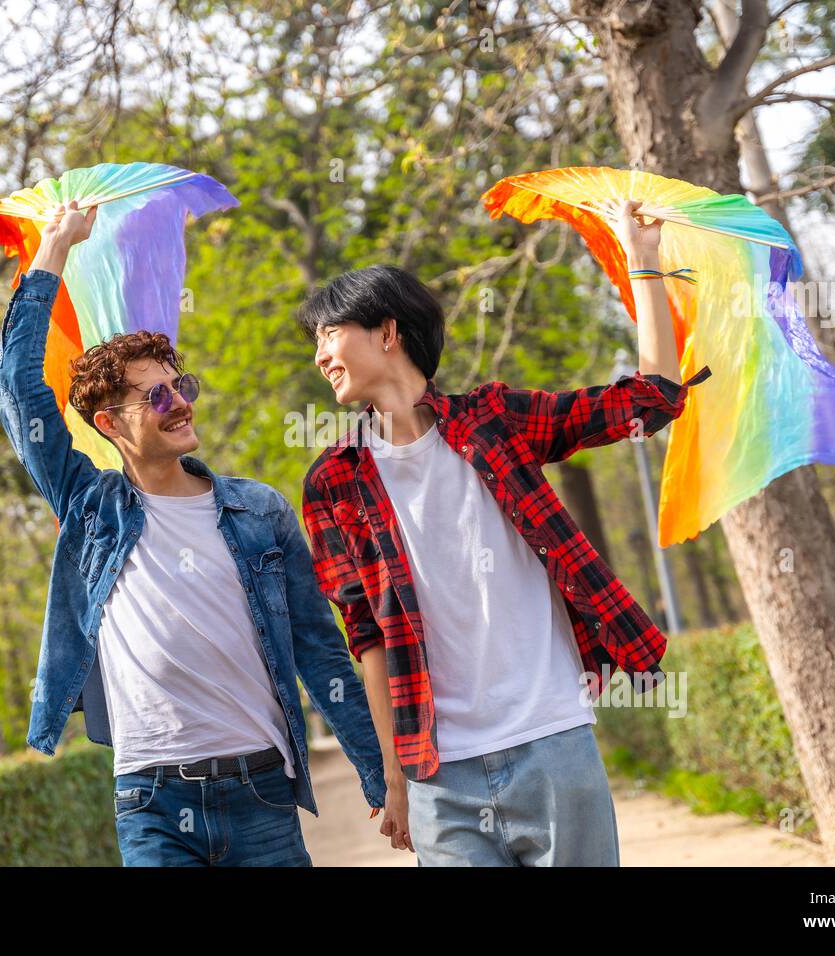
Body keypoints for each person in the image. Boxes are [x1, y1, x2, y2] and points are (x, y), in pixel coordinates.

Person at [298, 199, 710, 866]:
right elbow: (366, 636)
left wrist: (642, 258)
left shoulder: (494, 420)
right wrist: (393, 775)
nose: (320, 355)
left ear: (386, 332)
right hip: (438, 772)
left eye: (328, 333)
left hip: (552, 741)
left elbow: (650, 399)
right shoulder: (333, 481)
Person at [0, 199, 387, 866]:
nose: (179, 402)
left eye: (181, 385)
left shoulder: (258, 512)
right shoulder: (92, 508)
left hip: (260, 793)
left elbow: (319, 651)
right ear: (110, 424)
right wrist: (54, 249)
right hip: (150, 804)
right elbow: (16, 386)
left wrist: (377, 772)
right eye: (155, 396)